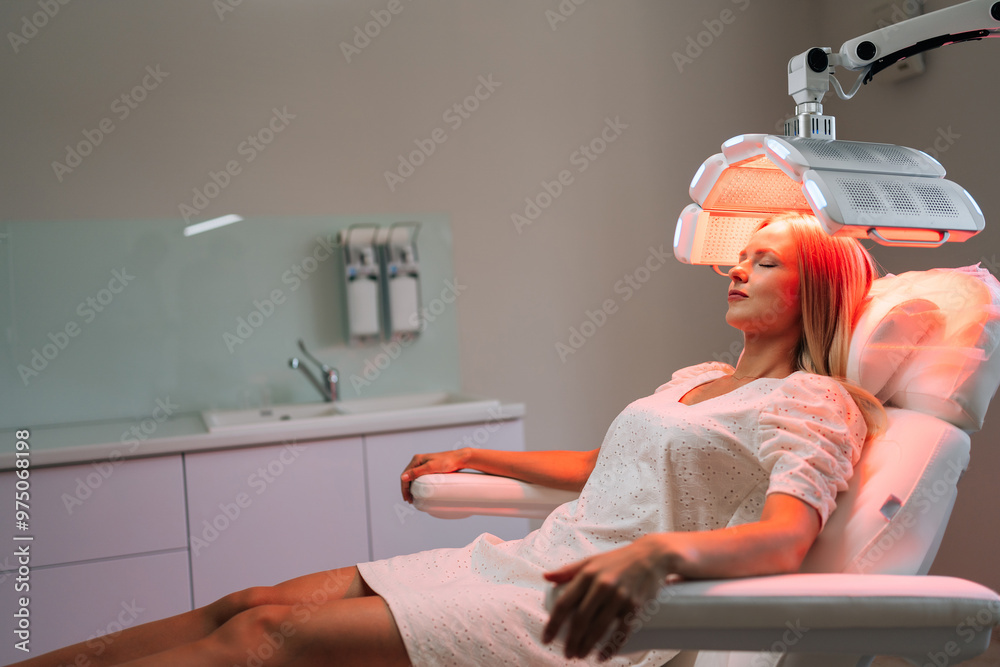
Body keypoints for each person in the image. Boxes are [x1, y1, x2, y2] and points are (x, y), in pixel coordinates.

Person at [15, 213, 885, 667]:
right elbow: (611, 468)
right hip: (525, 558)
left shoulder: (813, 402)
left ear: (814, 291)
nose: (737, 266)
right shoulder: (698, 377)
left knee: (271, 639)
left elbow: (784, 535)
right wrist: (481, 454)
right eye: (741, 256)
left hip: (576, 614)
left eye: (765, 260)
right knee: (249, 599)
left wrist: (657, 554)